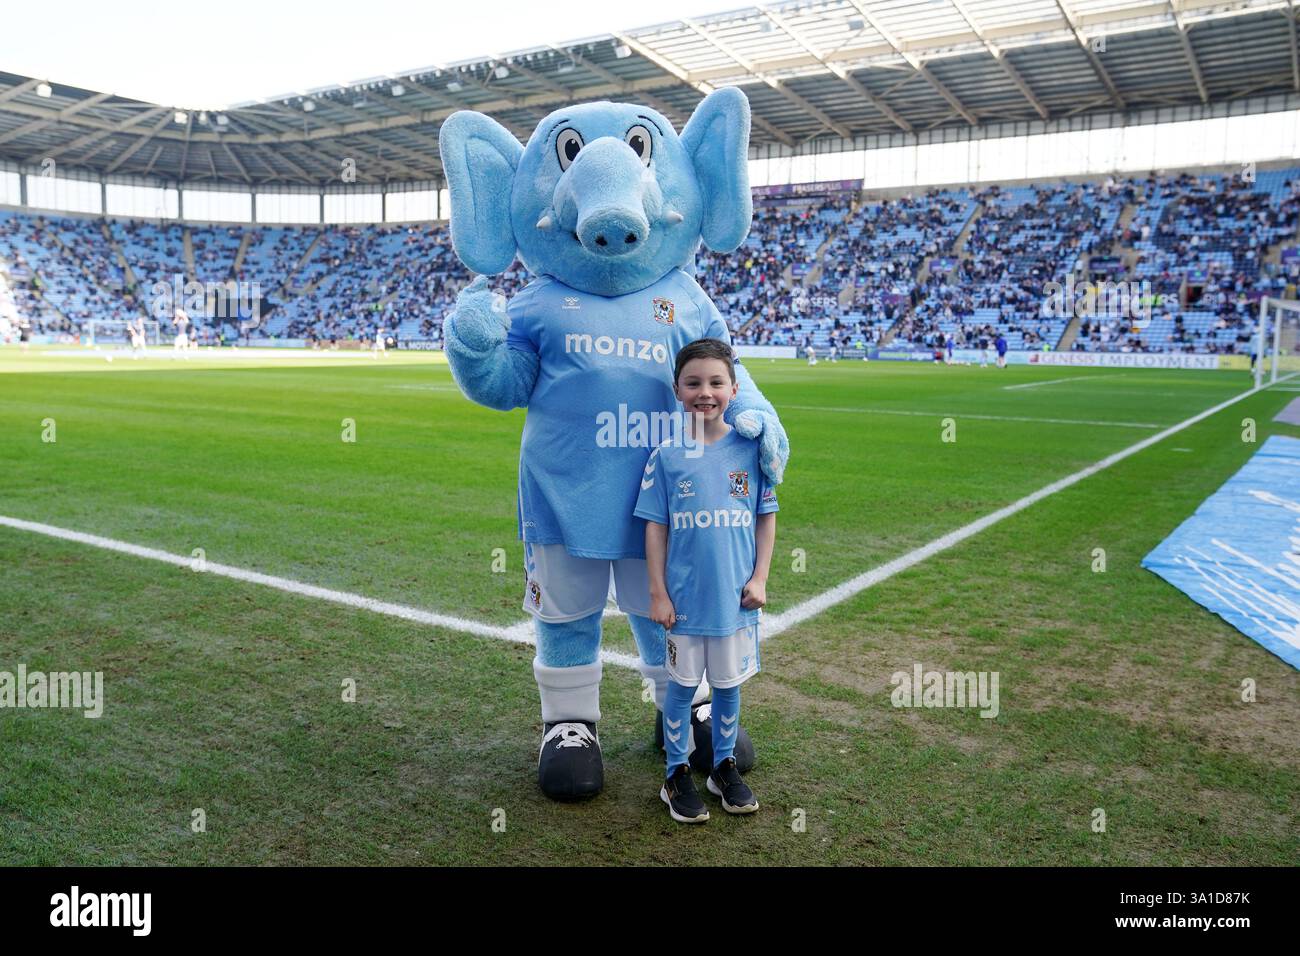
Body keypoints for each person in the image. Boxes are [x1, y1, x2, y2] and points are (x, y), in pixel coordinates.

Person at [635, 339, 778, 824]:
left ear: (734, 389)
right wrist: (657, 591)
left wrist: (760, 576)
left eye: (716, 382)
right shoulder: (668, 456)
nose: (705, 392)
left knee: (729, 684)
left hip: (735, 599)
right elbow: (655, 527)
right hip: (685, 601)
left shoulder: (750, 449)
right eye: (693, 382)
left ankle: (722, 767)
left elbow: (766, 516)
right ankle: (675, 772)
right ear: (677, 390)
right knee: (681, 687)